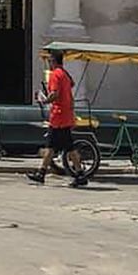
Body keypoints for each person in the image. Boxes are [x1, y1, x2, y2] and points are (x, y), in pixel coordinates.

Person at [27, 50, 88, 188]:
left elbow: (54, 94)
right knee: (65, 147)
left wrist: (44, 100)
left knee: (52, 145)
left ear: (53, 61)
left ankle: (43, 174)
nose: (49, 63)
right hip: (66, 114)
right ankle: (78, 174)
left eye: (49, 60)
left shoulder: (55, 74)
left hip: (58, 116)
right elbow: (71, 84)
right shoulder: (65, 74)